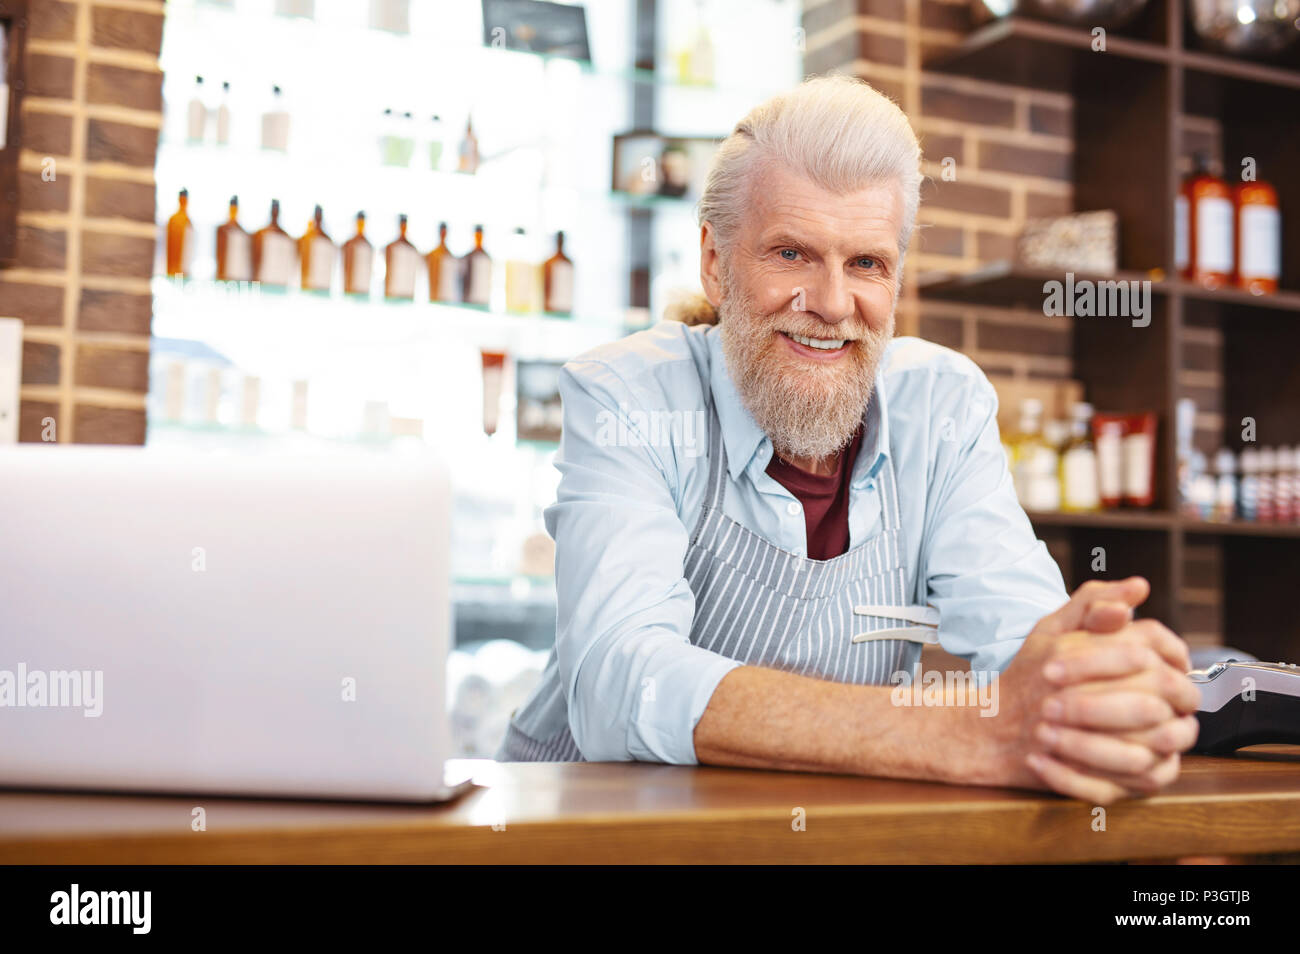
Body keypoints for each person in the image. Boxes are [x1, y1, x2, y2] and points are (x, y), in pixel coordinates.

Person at [497, 76, 1199, 804]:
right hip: (590, 837)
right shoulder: (631, 396)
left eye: (866, 263)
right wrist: (961, 734)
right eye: (791, 254)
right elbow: (620, 682)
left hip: (822, 838)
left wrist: (1092, 695)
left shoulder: (942, 407)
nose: (831, 305)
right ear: (714, 262)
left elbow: (1025, 645)